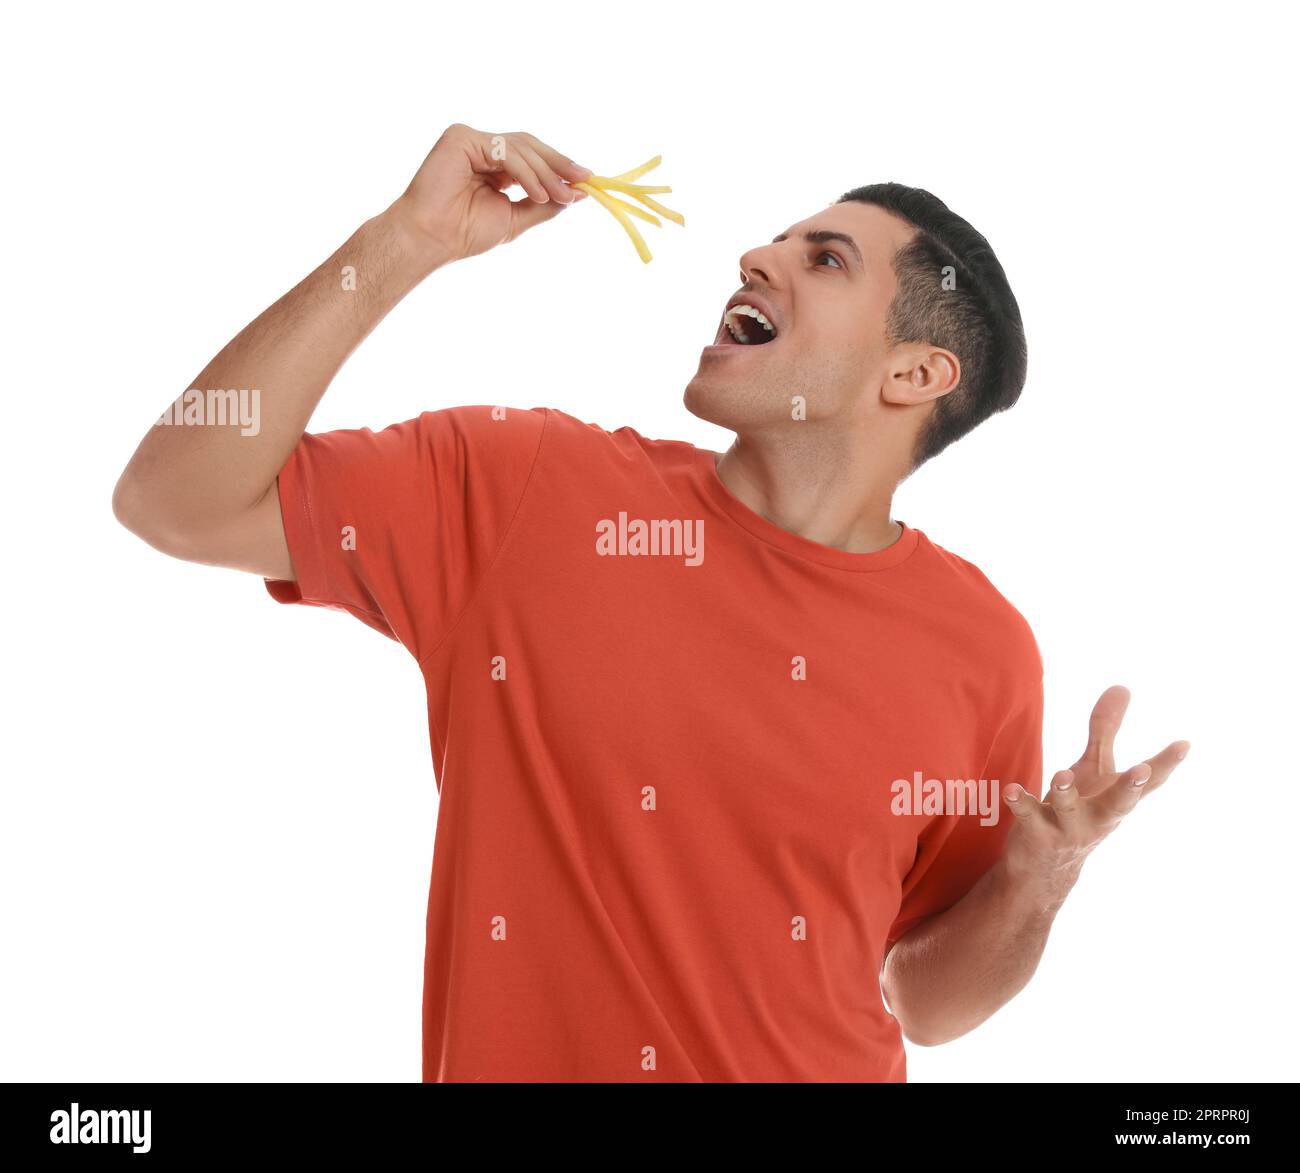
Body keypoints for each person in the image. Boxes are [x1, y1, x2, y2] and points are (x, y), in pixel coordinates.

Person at [112, 123, 1189, 1082]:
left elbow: (929, 1000)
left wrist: (1039, 882)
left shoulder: (983, 649)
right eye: (780, 240)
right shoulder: (525, 488)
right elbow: (175, 500)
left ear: (911, 375)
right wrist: (408, 240)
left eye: (823, 259)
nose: (756, 256)